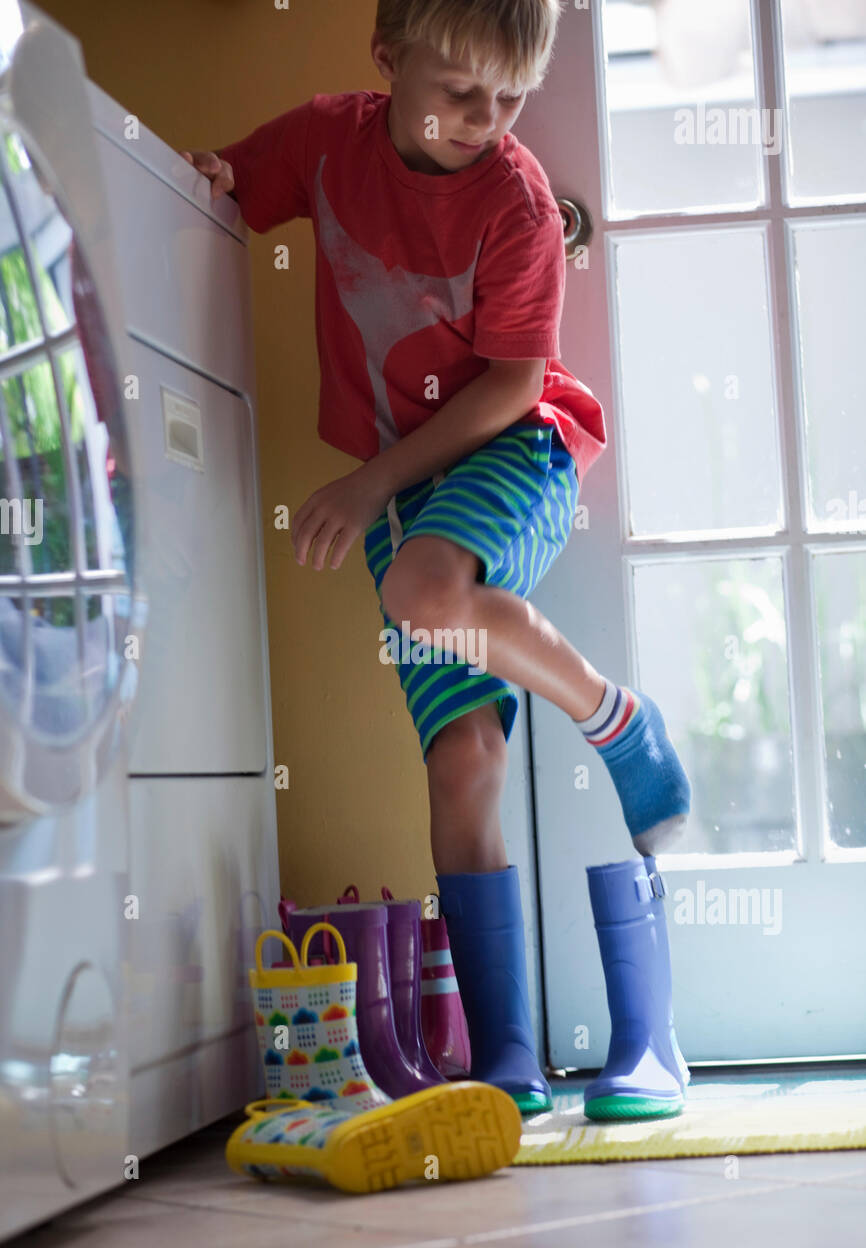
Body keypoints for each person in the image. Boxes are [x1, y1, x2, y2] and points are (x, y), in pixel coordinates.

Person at [181, 0, 691, 1116]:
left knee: (421, 588)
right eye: (460, 88)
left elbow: (512, 381)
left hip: (521, 447)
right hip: (404, 487)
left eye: (508, 97)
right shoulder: (327, 141)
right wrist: (191, 179)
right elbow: (229, 186)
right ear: (387, 52)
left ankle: (617, 722)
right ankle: (506, 1055)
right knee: (460, 760)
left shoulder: (511, 201)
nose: (483, 118)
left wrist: (364, 482)